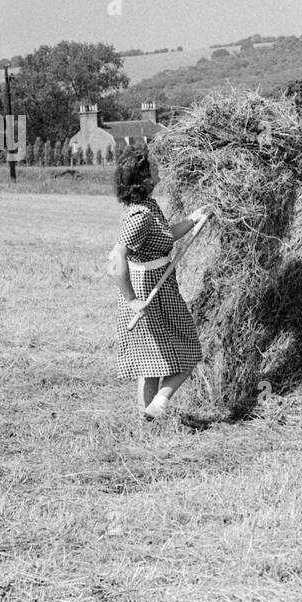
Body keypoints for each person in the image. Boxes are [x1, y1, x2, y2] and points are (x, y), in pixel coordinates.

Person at [109, 148, 213, 421]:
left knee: (152, 362)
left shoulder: (149, 207)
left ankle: (148, 420)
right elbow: (116, 258)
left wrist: (193, 219)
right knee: (189, 350)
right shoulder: (138, 216)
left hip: (161, 284)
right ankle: (157, 406)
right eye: (153, 168)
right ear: (143, 178)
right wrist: (132, 300)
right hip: (147, 289)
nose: (159, 171)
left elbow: (166, 236)